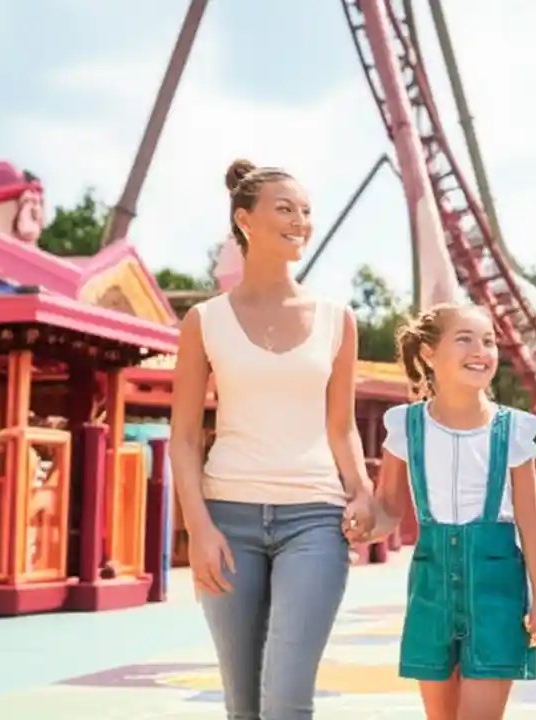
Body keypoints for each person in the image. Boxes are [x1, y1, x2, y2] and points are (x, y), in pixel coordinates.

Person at [169, 159, 376, 720]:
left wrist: (360, 489)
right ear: (245, 220)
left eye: (306, 212)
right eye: (285, 209)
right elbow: (183, 438)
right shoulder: (204, 321)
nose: (300, 221)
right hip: (227, 520)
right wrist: (198, 528)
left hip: (314, 519)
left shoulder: (338, 319)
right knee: (243, 704)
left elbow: (341, 426)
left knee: (285, 698)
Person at [346, 302, 536, 719]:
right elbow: (388, 508)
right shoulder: (406, 426)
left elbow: (531, 523)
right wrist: (366, 526)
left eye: (489, 341)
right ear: (428, 355)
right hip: (431, 588)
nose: (481, 350)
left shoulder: (514, 429)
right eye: (465, 339)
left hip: (497, 590)